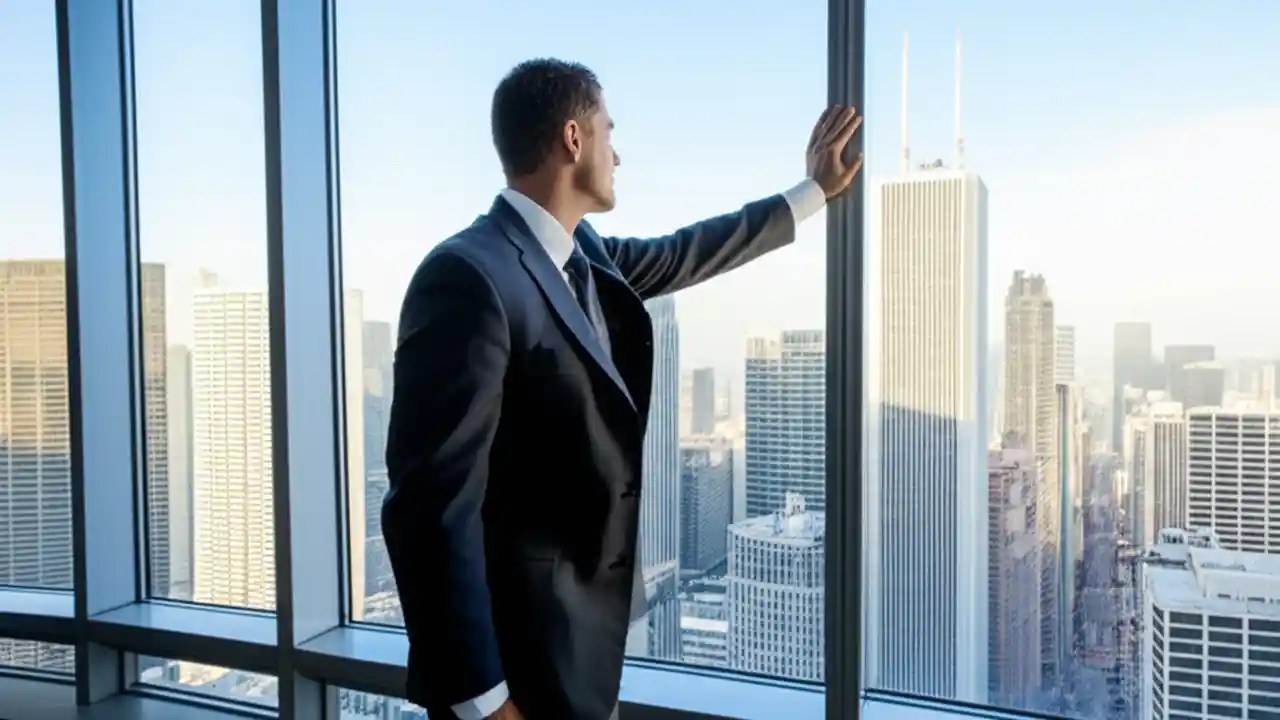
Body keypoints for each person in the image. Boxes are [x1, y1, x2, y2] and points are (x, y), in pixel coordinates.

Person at [382, 57, 862, 720]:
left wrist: (811, 193)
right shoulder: (468, 276)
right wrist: (484, 703)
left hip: (579, 666)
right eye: (610, 131)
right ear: (574, 139)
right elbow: (430, 509)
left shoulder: (587, 257)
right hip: (516, 681)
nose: (618, 152)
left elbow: (689, 249)